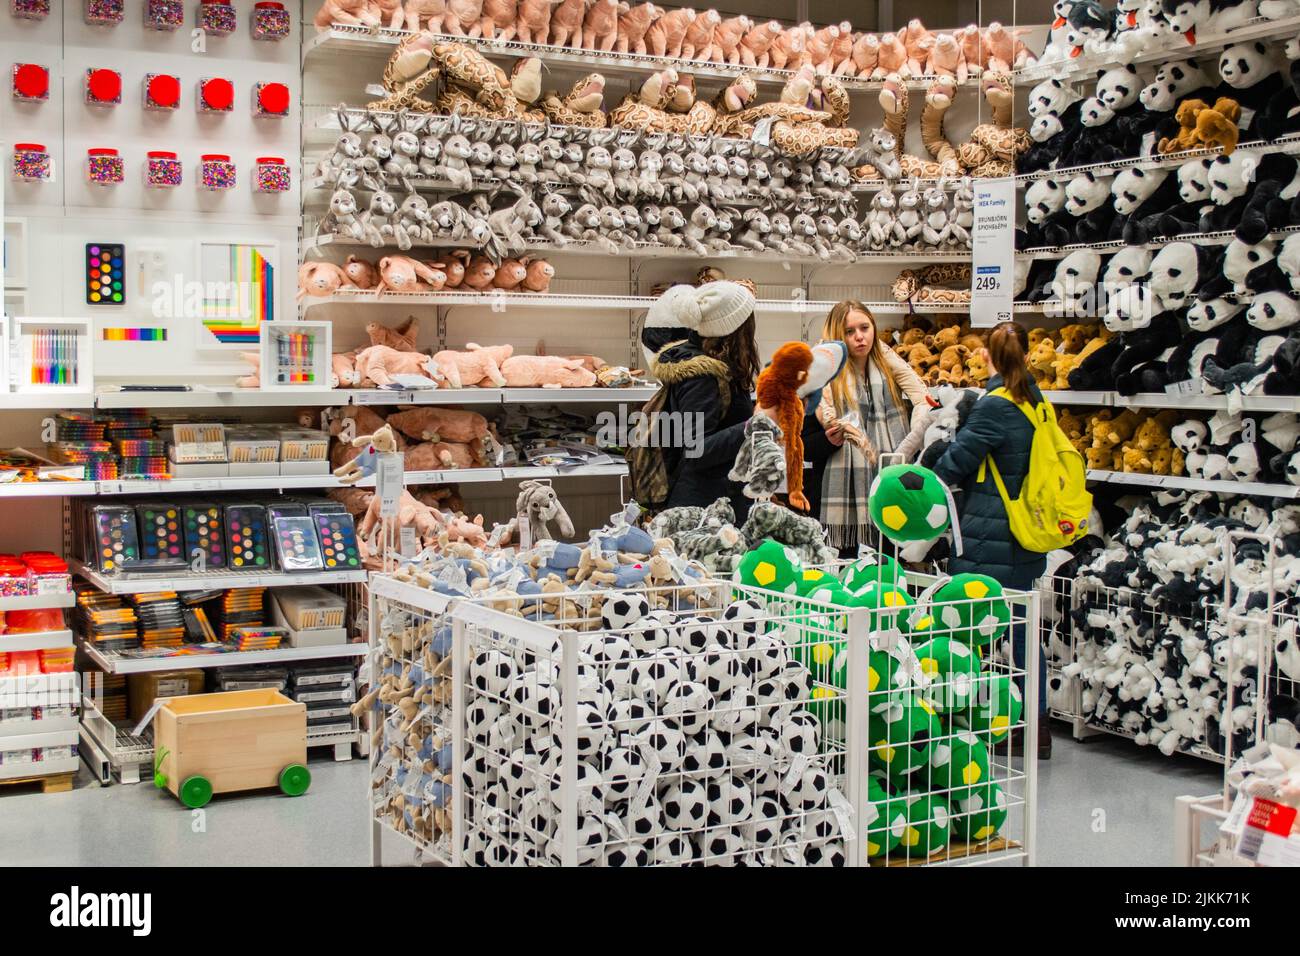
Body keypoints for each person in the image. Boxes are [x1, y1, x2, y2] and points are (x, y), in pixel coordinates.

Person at [930, 321, 1051, 759]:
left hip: (989, 535)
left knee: (970, 627)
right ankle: (1033, 725)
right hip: (1027, 532)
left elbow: (956, 463)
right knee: (1022, 631)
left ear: (989, 357)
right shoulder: (1037, 401)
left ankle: (988, 721)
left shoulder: (995, 406)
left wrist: (929, 467)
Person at [639, 281, 761, 521]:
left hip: (716, 502)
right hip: (702, 510)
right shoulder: (703, 377)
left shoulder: (714, 368)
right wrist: (755, 424)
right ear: (736, 329)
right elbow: (698, 450)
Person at [814, 301, 929, 553]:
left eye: (864, 328)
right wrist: (836, 436)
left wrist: (907, 448)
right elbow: (825, 420)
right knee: (846, 566)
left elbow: (922, 396)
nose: (859, 337)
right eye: (849, 331)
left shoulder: (885, 357)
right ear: (837, 335)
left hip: (891, 478)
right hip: (840, 489)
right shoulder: (823, 365)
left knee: (888, 568)